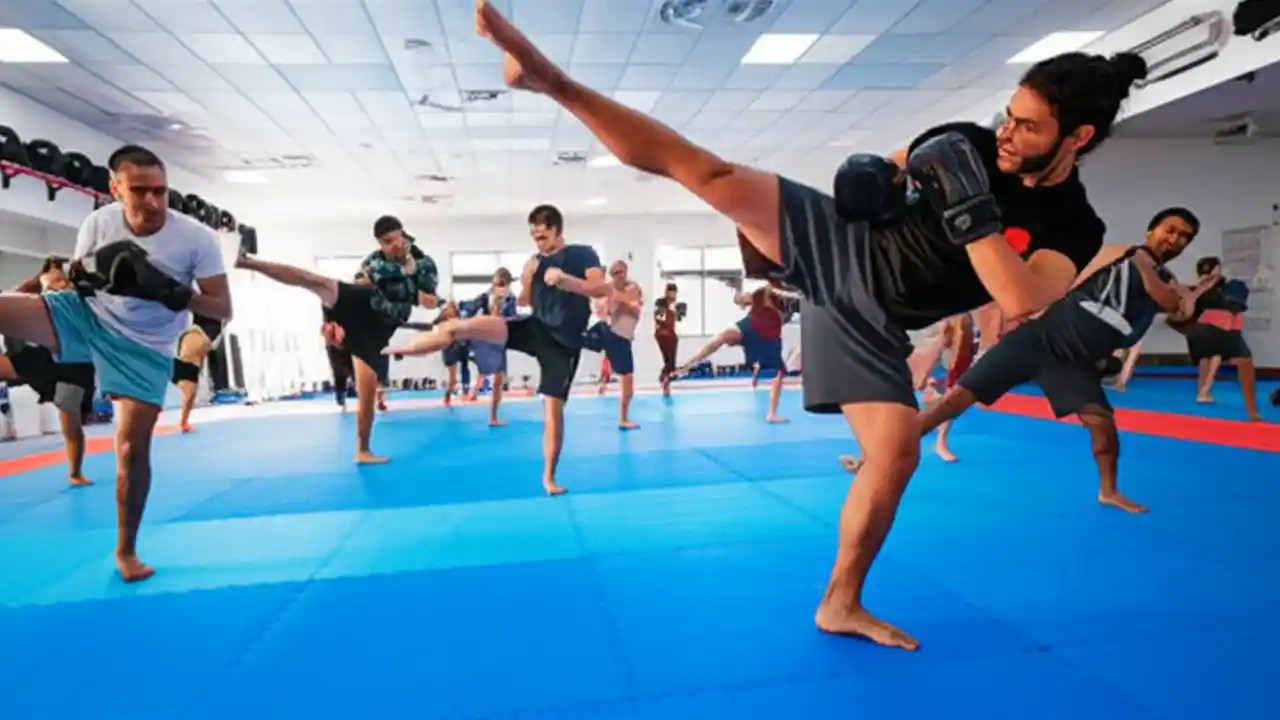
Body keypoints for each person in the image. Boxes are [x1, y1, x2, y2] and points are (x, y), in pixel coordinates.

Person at [472, 0, 1147, 649]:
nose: (1004, 130)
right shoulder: (967, 140)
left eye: (1027, 126)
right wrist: (876, 177)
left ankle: (841, 603)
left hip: (875, 320)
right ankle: (552, 80)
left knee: (897, 455)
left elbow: (1023, 297)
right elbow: (889, 168)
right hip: (841, 244)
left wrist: (970, 207)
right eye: (1009, 112)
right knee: (706, 172)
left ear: (1077, 138)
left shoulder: (1075, 225)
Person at [853, 208, 1200, 517]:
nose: (1175, 239)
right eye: (1170, 229)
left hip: (1074, 361)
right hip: (1035, 339)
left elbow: (1170, 306)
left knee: (1102, 426)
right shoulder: (1116, 253)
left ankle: (1108, 491)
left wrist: (1178, 293)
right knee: (953, 401)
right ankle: (874, 458)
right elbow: (1071, 280)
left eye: (1184, 237)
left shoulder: (1164, 279)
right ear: (1151, 230)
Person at [0, 144, 232, 581]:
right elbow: (81, 278)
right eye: (140, 191)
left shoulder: (194, 237)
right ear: (115, 188)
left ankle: (126, 551)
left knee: (130, 448)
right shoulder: (98, 222)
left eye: (160, 191)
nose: (152, 201)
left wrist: (168, 291)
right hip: (88, 318)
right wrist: (89, 276)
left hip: (143, 347)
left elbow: (221, 308)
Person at [387, 204, 606, 496]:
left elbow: (600, 290)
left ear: (556, 230)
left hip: (564, 343)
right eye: (533, 236)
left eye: (542, 236)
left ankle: (549, 477)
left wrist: (566, 280)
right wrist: (528, 278)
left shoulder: (583, 254)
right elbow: (527, 301)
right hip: (536, 328)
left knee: (553, 412)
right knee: (463, 327)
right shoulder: (535, 261)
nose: (537, 242)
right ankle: (401, 350)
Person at [237, 215, 439, 463]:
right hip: (363, 303)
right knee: (314, 281)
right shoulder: (373, 262)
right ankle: (248, 263)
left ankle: (363, 450)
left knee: (367, 389)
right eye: (386, 242)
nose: (392, 246)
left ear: (403, 235)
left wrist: (427, 298)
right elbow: (361, 282)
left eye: (395, 240)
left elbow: (430, 299)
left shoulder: (424, 263)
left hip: (381, 327)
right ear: (379, 243)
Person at [2, 257, 98, 486]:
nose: (58, 278)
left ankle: (75, 472)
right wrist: (37, 282)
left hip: (73, 365)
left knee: (70, 415)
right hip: (40, 358)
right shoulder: (37, 299)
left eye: (61, 274)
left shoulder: (79, 298)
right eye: (52, 274)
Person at [677, 284, 788, 423]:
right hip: (752, 327)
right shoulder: (762, 293)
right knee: (723, 337)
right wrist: (739, 297)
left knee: (779, 373)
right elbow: (742, 299)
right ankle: (691, 362)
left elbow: (781, 318)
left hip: (766, 335)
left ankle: (771, 413)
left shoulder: (781, 302)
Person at [1182, 256, 1261, 420]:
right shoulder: (1216, 287)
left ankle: (1203, 391)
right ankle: (1250, 410)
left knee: (1207, 357)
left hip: (1206, 324)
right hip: (1220, 324)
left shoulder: (1204, 288)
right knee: (1226, 358)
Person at [584, 260, 642, 429]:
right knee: (600, 328)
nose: (619, 275)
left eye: (621, 271)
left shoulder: (633, 288)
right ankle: (571, 336)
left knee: (628, 381)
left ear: (626, 271)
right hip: (612, 335)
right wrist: (612, 296)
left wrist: (621, 298)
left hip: (623, 340)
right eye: (615, 273)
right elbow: (608, 311)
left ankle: (623, 419)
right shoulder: (611, 292)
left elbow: (635, 309)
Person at [463, 267, 519, 425]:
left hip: (499, 339)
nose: (500, 287)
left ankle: (493, 416)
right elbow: (469, 310)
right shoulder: (484, 297)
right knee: (488, 373)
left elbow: (512, 317)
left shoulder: (510, 299)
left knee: (498, 378)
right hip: (484, 338)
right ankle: (476, 395)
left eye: (503, 284)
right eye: (497, 283)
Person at [170, 323, 211, 432]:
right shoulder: (202, 340)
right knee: (189, 397)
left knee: (189, 397)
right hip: (187, 366)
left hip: (180, 363)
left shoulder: (189, 335)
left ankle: (184, 423)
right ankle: (184, 423)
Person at [653, 282, 683, 396]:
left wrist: (678, 311)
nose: (673, 295)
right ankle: (663, 377)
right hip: (662, 333)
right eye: (671, 292)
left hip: (671, 334)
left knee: (671, 362)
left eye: (674, 293)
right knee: (668, 360)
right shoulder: (661, 303)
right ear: (667, 293)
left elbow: (679, 319)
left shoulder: (675, 305)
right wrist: (670, 310)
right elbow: (659, 319)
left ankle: (666, 380)